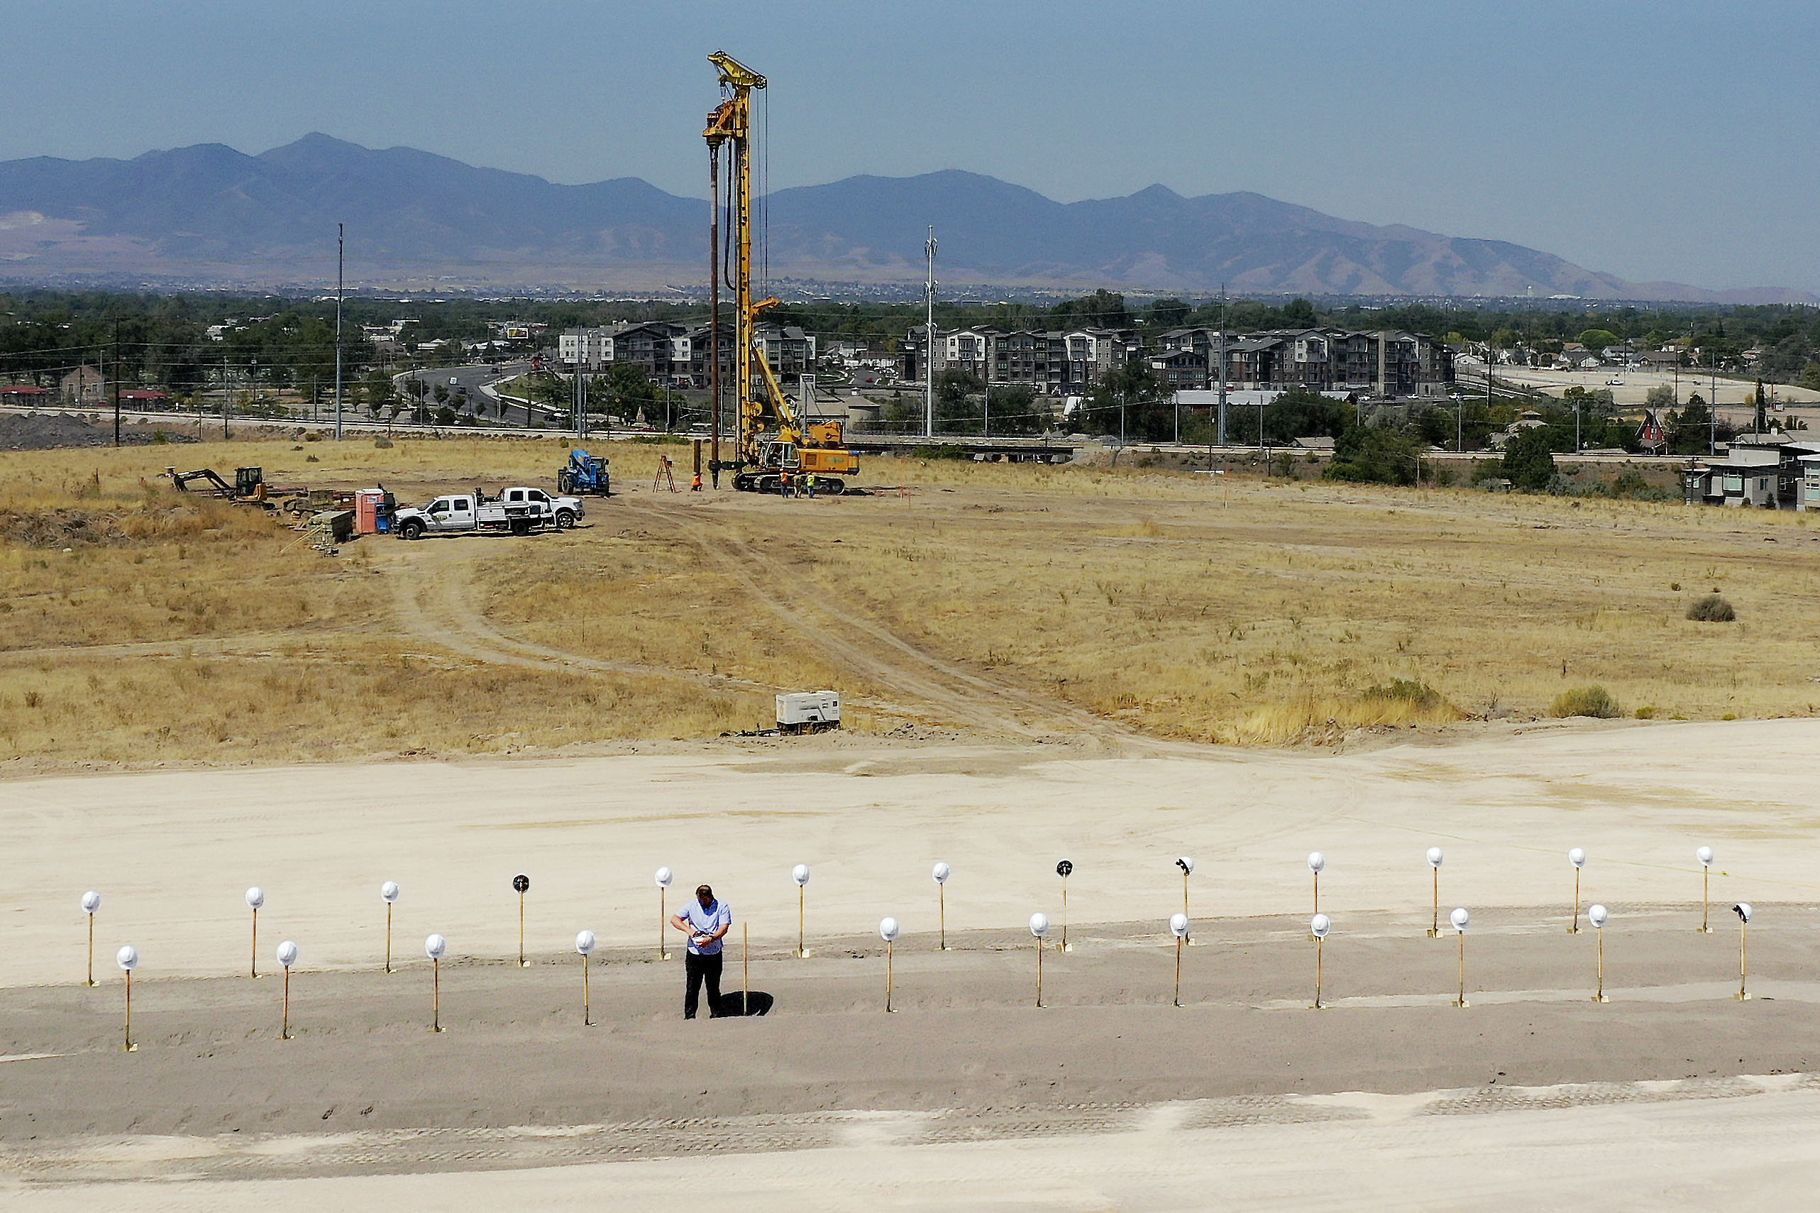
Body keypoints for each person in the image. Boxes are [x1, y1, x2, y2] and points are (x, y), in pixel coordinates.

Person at [672, 883, 733, 1019]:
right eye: (700, 900)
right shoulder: (691, 906)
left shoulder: (722, 906)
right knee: (692, 987)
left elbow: (724, 927)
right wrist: (690, 931)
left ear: (710, 897)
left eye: (704, 900)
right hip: (695, 953)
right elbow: (674, 919)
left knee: (713, 987)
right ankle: (690, 1015)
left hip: (713, 953)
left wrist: (711, 938)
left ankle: (716, 1014)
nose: (702, 903)